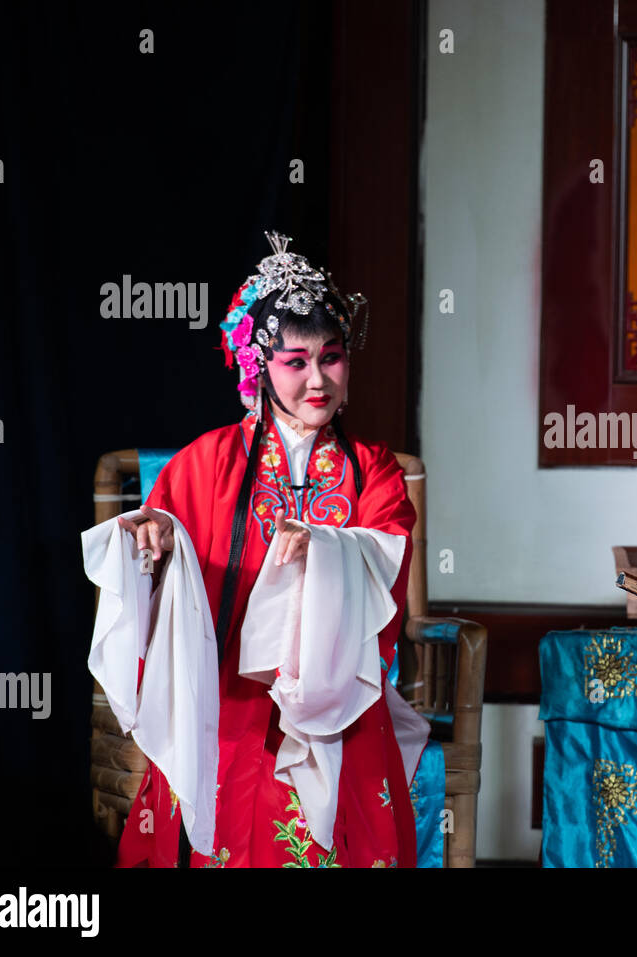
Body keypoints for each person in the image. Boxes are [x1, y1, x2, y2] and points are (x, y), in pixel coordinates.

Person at [84, 232, 424, 867]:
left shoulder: (374, 471)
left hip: (336, 713)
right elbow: (161, 532)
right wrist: (154, 540)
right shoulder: (208, 460)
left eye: (332, 357)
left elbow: (389, 560)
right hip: (224, 702)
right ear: (259, 365)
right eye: (295, 361)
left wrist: (326, 547)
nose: (318, 379)